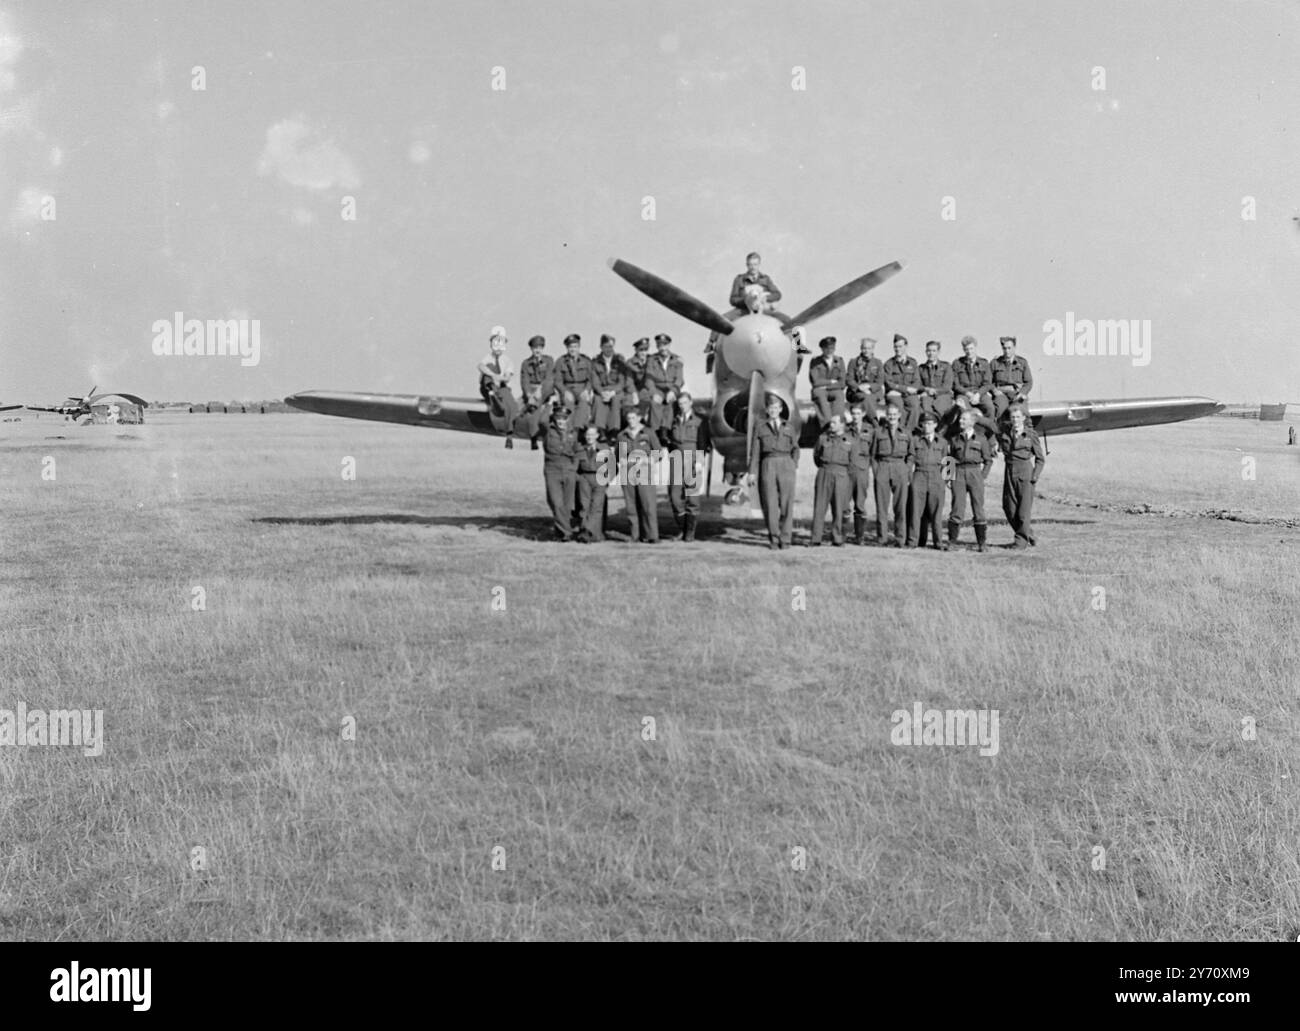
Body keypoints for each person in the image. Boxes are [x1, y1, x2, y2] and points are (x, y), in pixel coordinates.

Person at [750, 393, 800, 550]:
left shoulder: (789, 427)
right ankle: (773, 538)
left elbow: (795, 448)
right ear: (767, 409)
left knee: (786, 504)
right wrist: (752, 471)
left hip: (786, 464)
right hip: (768, 463)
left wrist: (793, 464)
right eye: (770, 408)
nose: (773, 410)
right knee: (770, 503)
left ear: (780, 409)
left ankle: (785, 539)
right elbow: (755, 451)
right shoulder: (760, 426)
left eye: (776, 408)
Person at [998, 405, 1046, 548]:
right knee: (1009, 508)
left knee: (1023, 511)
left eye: (1018, 417)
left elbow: (1040, 458)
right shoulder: (1004, 433)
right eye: (1013, 417)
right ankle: (1028, 533)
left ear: (1024, 418)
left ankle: (1020, 542)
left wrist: (1035, 475)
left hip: (1025, 471)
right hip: (1009, 470)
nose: (1015, 420)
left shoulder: (1031, 435)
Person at [947, 407, 995, 552]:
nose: (960, 421)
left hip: (975, 474)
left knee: (978, 508)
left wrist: (982, 476)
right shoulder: (954, 439)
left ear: (972, 422)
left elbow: (988, 460)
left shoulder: (981, 439)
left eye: (964, 419)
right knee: (957, 508)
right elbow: (949, 458)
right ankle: (952, 541)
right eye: (960, 419)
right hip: (959, 473)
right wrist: (948, 478)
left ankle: (982, 543)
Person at [664, 391, 709, 541]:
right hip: (676, 459)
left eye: (685, 403)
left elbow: (703, 442)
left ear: (691, 403)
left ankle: (689, 533)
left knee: (692, 498)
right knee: (674, 496)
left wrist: (700, 461)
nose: (682, 406)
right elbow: (670, 440)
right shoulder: (674, 420)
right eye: (680, 403)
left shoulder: (700, 420)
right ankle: (682, 529)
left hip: (692, 459)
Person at [618, 408, 661, 543]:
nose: (631, 421)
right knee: (631, 505)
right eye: (629, 418)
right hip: (628, 472)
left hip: (644, 471)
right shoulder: (622, 435)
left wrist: (649, 460)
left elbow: (659, 452)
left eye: (633, 418)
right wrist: (622, 459)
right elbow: (619, 454)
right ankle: (635, 535)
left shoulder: (648, 433)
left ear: (639, 418)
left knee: (648, 504)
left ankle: (651, 535)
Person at [906, 410, 948, 549]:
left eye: (930, 424)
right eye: (924, 424)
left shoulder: (942, 442)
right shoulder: (915, 440)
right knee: (916, 511)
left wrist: (946, 482)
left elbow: (948, 461)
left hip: (937, 477)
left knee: (936, 512)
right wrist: (909, 477)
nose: (927, 427)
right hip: (919, 475)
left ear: (935, 425)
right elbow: (910, 459)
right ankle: (913, 541)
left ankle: (938, 542)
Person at [871, 402, 911, 546]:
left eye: (894, 414)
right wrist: (876, 472)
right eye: (889, 414)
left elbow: (911, 455)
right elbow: (873, 455)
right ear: (886, 416)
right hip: (883, 466)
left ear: (899, 415)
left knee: (900, 507)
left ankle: (900, 539)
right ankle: (882, 538)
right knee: (882, 507)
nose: (892, 417)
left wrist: (906, 469)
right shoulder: (878, 432)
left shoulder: (906, 433)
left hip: (900, 467)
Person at [809, 414, 852, 546]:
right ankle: (816, 538)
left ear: (842, 424)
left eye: (834, 423)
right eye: (831, 422)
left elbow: (853, 460)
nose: (831, 425)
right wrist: (825, 467)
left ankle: (837, 538)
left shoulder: (850, 440)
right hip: (824, 472)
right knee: (820, 507)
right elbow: (816, 456)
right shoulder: (822, 438)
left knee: (839, 507)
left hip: (841, 474)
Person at [475, 326, 520, 448]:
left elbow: (507, 377)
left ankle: (509, 435)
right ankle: (492, 392)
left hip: (501, 387)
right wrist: (493, 375)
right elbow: (480, 366)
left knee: (512, 406)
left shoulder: (508, 361)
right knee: (489, 368)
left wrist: (499, 378)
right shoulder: (488, 358)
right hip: (488, 385)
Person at [542, 407, 579, 540]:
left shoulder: (574, 432)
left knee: (567, 504)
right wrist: (548, 404)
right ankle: (567, 532)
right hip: (552, 468)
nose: (561, 421)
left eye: (563, 418)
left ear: (567, 419)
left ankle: (560, 533)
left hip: (568, 468)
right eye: (558, 418)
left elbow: (577, 451)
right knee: (555, 502)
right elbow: (541, 419)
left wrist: (574, 468)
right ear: (554, 418)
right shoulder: (547, 429)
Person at [519, 335, 556, 449]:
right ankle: (533, 436)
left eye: (539, 348)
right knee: (533, 409)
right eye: (535, 348)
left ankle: (534, 436)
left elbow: (549, 378)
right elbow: (524, 381)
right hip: (532, 391)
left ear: (543, 348)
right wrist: (529, 394)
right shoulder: (526, 363)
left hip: (546, 389)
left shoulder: (549, 360)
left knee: (534, 405)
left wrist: (539, 392)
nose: (537, 350)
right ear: (531, 349)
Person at [845, 402, 875, 545]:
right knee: (844, 504)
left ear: (863, 414)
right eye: (853, 413)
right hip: (847, 471)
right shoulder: (846, 429)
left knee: (860, 504)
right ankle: (841, 534)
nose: (855, 416)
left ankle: (859, 536)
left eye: (858, 413)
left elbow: (874, 451)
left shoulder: (870, 430)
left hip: (862, 471)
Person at [574, 425, 610, 542]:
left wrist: (606, 480)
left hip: (599, 478)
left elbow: (613, 467)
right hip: (584, 478)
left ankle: (589, 531)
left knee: (596, 506)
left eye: (592, 434)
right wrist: (578, 479)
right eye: (587, 434)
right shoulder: (580, 449)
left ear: (597, 436)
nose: (589, 437)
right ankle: (586, 530)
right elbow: (574, 467)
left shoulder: (604, 449)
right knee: (584, 505)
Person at [644, 333, 684, 432]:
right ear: (657, 346)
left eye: (665, 345)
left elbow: (679, 379)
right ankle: (655, 431)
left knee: (671, 402)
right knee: (654, 403)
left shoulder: (677, 360)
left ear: (669, 345)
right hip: (658, 389)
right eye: (660, 345)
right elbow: (649, 379)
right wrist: (653, 393)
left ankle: (665, 431)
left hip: (672, 388)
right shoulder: (651, 360)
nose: (662, 348)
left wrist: (674, 391)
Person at [555, 334, 594, 431]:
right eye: (570, 347)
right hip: (567, 388)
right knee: (568, 402)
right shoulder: (561, 361)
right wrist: (564, 391)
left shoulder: (586, 361)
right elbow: (558, 381)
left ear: (579, 347)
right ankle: (569, 430)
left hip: (582, 388)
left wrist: (587, 390)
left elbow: (591, 379)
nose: (573, 349)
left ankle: (578, 429)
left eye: (575, 347)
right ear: (567, 348)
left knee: (584, 401)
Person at [590, 334, 625, 441]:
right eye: (606, 346)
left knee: (616, 400)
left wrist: (613, 392)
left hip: (615, 390)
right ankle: (601, 431)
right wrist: (602, 392)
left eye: (610, 346)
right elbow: (595, 381)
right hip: (602, 389)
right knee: (598, 400)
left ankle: (614, 431)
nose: (608, 349)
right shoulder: (595, 362)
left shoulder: (619, 360)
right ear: (601, 347)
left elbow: (622, 381)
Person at [990, 335, 1033, 423]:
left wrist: (1022, 393)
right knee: (1000, 410)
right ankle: (1002, 434)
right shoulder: (995, 363)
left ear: (1014, 348)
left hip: (1016, 393)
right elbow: (988, 382)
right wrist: (994, 391)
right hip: (1001, 393)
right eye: (1004, 348)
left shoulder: (1022, 362)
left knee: (1021, 413)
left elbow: (1028, 382)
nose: (1007, 351)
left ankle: (1026, 434)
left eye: (1009, 348)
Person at [883, 334, 921, 431]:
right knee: (898, 407)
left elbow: (917, 381)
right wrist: (906, 389)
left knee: (915, 406)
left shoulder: (913, 363)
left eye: (900, 346)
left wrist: (908, 390)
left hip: (908, 394)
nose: (897, 349)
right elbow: (888, 383)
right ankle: (899, 431)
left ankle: (908, 432)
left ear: (906, 347)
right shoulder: (889, 364)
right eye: (895, 347)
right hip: (894, 394)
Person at [952, 335, 994, 421]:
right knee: (962, 409)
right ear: (963, 349)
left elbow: (987, 384)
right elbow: (956, 385)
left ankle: (989, 432)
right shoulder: (957, 364)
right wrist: (968, 393)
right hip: (964, 394)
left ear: (975, 348)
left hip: (980, 393)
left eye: (971, 349)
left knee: (990, 408)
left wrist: (978, 394)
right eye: (966, 349)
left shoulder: (984, 363)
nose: (969, 352)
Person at [808, 336, 847, 425]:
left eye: (832, 348)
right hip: (820, 390)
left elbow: (842, 383)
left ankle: (838, 423)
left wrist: (826, 385)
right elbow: (815, 382)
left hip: (834, 389)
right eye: (827, 348)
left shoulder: (839, 361)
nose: (830, 351)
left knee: (839, 395)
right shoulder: (815, 361)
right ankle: (826, 425)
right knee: (820, 397)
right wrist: (830, 382)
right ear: (822, 349)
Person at [846, 337, 885, 421]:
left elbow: (880, 381)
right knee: (867, 397)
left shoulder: (878, 363)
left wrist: (868, 386)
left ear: (873, 349)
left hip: (874, 391)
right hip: (857, 391)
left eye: (869, 348)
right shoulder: (853, 362)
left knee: (869, 397)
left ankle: (866, 423)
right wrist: (859, 388)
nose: (866, 351)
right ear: (861, 348)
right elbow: (849, 379)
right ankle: (874, 422)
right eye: (864, 348)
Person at [918, 339, 955, 428]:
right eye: (929, 351)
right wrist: (926, 390)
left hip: (943, 395)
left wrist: (934, 391)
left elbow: (947, 386)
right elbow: (917, 384)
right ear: (926, 352)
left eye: (934, 351)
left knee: (941, 410)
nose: (931, 353)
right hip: (927, 395)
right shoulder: (921, 368)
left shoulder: (946, 366)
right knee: (926, 413)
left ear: (938, 352)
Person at [624, 337, 652, 420]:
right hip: (634, 390)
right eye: (641, 350)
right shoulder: (630, 363)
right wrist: (634, 394)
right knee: (629, 402)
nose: (644, 352)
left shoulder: (652, 360)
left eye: (646, 350)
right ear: (636, 350)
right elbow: (629, 382)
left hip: (648, 390)